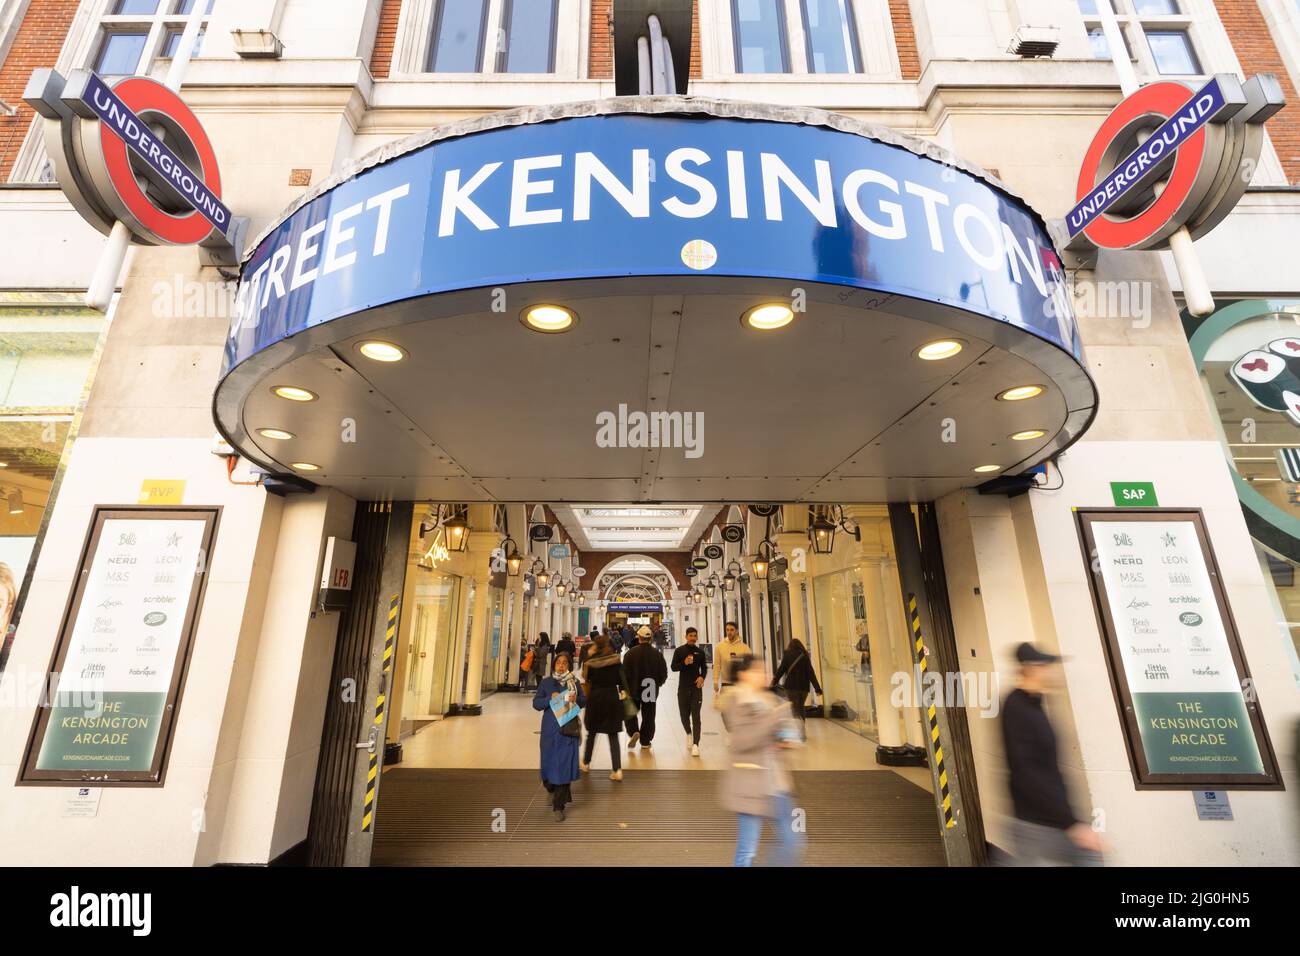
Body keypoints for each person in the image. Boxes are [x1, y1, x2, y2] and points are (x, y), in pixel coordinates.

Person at [1001, 642, 1103, 866]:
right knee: (1090, 857)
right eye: (1047, 666)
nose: (1053, 671)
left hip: (1042, 818)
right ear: (1032, 668)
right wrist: (1070, 823)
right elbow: (1027, 770)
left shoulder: (1032, 703)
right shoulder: (1018, 707)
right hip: (1038, 820)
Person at [720, 654, 804, 867]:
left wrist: (786, 737)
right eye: (757, 671)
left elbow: (780, 731)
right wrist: (773, 718)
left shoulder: (770, 699)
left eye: (764, 670)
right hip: (750, 785)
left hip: (777, 784)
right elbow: (743, 741)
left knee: (793, 841)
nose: (764, 675)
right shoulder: (736, 702)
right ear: (743, 675)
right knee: (747, 849)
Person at [533, 652, 585, 821]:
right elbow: (536, 704)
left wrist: (577, 699)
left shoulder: (574, 683)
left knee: (563, 767)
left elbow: (584, 701)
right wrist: (550, 698)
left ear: (569, 665)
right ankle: (550, 788)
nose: (561, 666)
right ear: (554, 664)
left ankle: (559, 806)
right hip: (549, 731)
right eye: (558, 663)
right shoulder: (547, 683)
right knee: (548, 766)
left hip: (568, 731)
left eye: (565, 663)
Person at [580, 633, 627, 780]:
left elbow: (585, 677)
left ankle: (586, 762)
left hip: (596, 698)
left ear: (596, 646)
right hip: (612, 697)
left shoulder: (591, 662)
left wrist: (589, 655)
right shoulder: (616, 661)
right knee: (613, 734)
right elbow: (622, 680)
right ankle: (617, 769)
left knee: (592, 732)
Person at [623, 625, 667, 750]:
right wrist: (658, 683)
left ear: (639, 637)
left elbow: (623, 673)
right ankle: (645, 740)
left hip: (633, 688)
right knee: (649, 714)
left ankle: (633, 732)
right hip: (650, 687)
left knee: (630, 712)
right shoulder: (657, 654)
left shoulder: (630, 654)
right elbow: (663, 673)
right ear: (650, 638)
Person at [771, 637, 822, 738]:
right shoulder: (805, 656)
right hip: (803, 688)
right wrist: (817, 688)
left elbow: (781, 670)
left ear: (790, 646)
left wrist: (774, 681)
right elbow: (811, 673)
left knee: (794, 709)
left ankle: (799, 732)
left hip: (791, 687)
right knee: (801, 707)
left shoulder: (787, 655)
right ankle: (801, 730)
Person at [671, 626, 708, 756]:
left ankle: (696, 744)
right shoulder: (679, 651)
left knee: (696, 717)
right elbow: (673, 667)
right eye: (690, 635)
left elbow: (704, 668)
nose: (693, 638)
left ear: (697, 637)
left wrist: (702, 677)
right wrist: (684, 663)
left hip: (696, 689)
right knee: (684, 715)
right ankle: (688, 733)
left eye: (694, 635)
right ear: (686, 637)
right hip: (683, 688)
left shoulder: (700, 652)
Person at [713, 621, 751, 699]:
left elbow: (750, 665)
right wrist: (715, 681)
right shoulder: (719, 647)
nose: (729, 632)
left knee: (740, 710)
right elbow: (717, 665)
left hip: (741, 684)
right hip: (726, 684)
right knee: (726, 710)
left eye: (732, 630)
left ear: (737, 631)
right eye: (727, 630)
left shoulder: (745, 647)